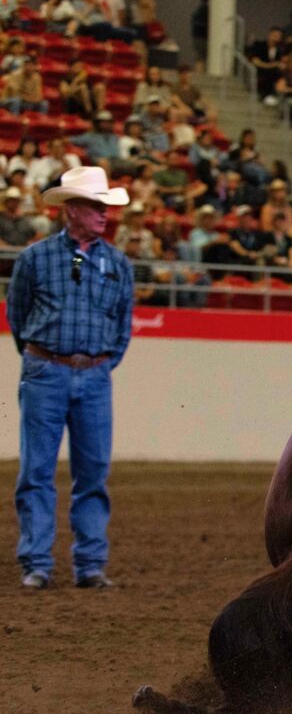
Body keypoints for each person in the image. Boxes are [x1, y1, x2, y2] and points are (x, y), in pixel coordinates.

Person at [6, 167, 135, 590]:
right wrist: (44, 359)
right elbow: (18, 317)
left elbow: (122, 326)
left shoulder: (118, 264)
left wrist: (100, 363)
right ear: (73, 209)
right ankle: (38, 562)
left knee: (92, 472)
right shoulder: (34, 258)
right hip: (49, 370)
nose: (104, 214)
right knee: (38, 471)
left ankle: (87, 564)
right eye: (96, 206)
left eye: (105, 207)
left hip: (89, 374)